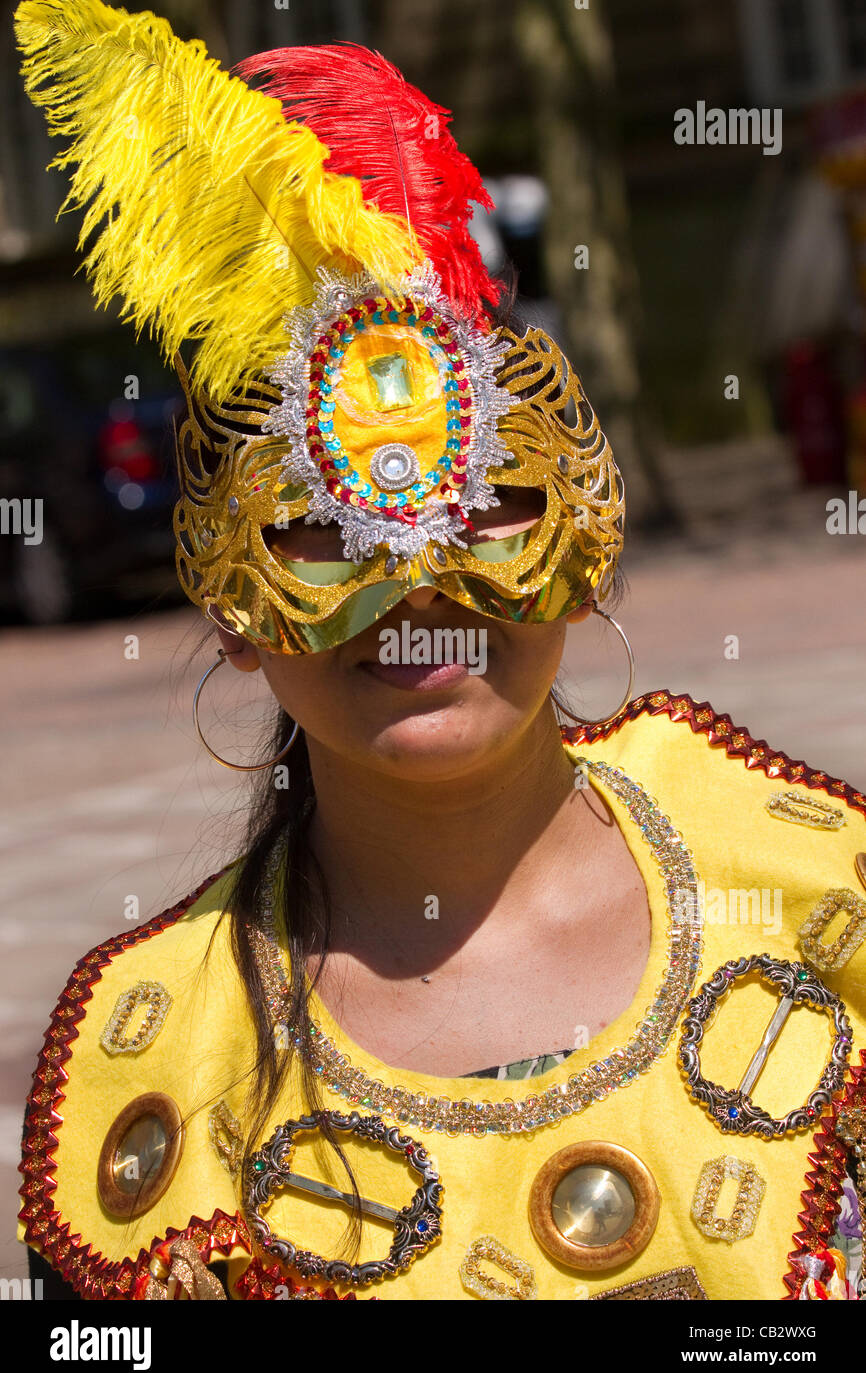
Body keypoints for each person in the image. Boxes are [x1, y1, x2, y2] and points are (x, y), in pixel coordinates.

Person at [15, 0, 865, 1302]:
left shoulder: (813, 892)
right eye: (321, 526)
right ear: (230, 601)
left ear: (584, 541)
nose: (416, 587)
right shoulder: (156, 1061)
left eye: (484, 511)